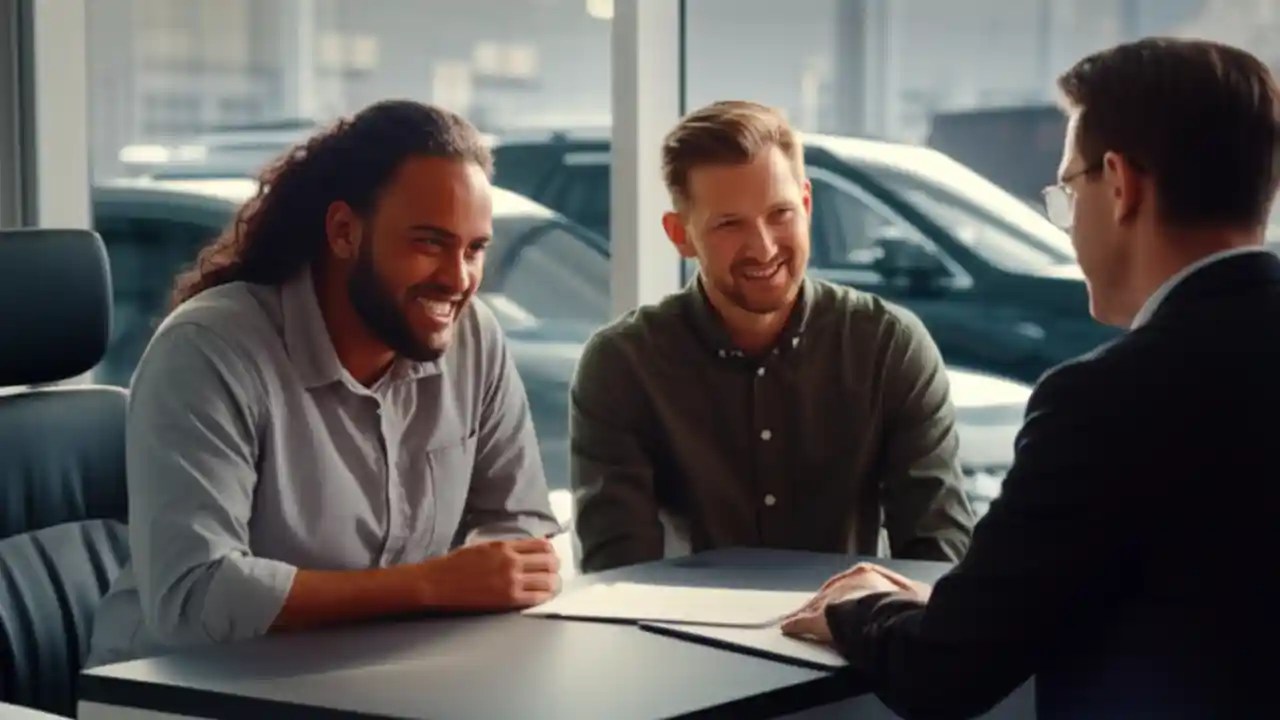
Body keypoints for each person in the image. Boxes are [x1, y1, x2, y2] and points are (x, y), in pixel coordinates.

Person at [781, 38, 1280, 719]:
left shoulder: (1104, 403)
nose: (1068, 229)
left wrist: (856, 608)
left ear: (1122, 184)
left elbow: (946, 672)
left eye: (1068, 192)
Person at [87, 101, 562, 667]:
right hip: (184, 690)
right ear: (343, 232)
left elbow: (524, 533)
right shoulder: (208, 349)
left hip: (373, 677)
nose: (458, 279)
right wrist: (431, 586)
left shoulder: (473, 336)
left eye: (475, 249)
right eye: (429, 243)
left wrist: (484, 578)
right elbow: (196, 594)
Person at [570, 100, 976, 573]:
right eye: (729, 224)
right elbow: (617, 575)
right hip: (680, 637)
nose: (763, 247)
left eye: (780, 213)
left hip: (854, 634)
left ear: (806, 205)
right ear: (680, 234)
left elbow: (938, 556)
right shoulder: (624, 364)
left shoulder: (888, 345)